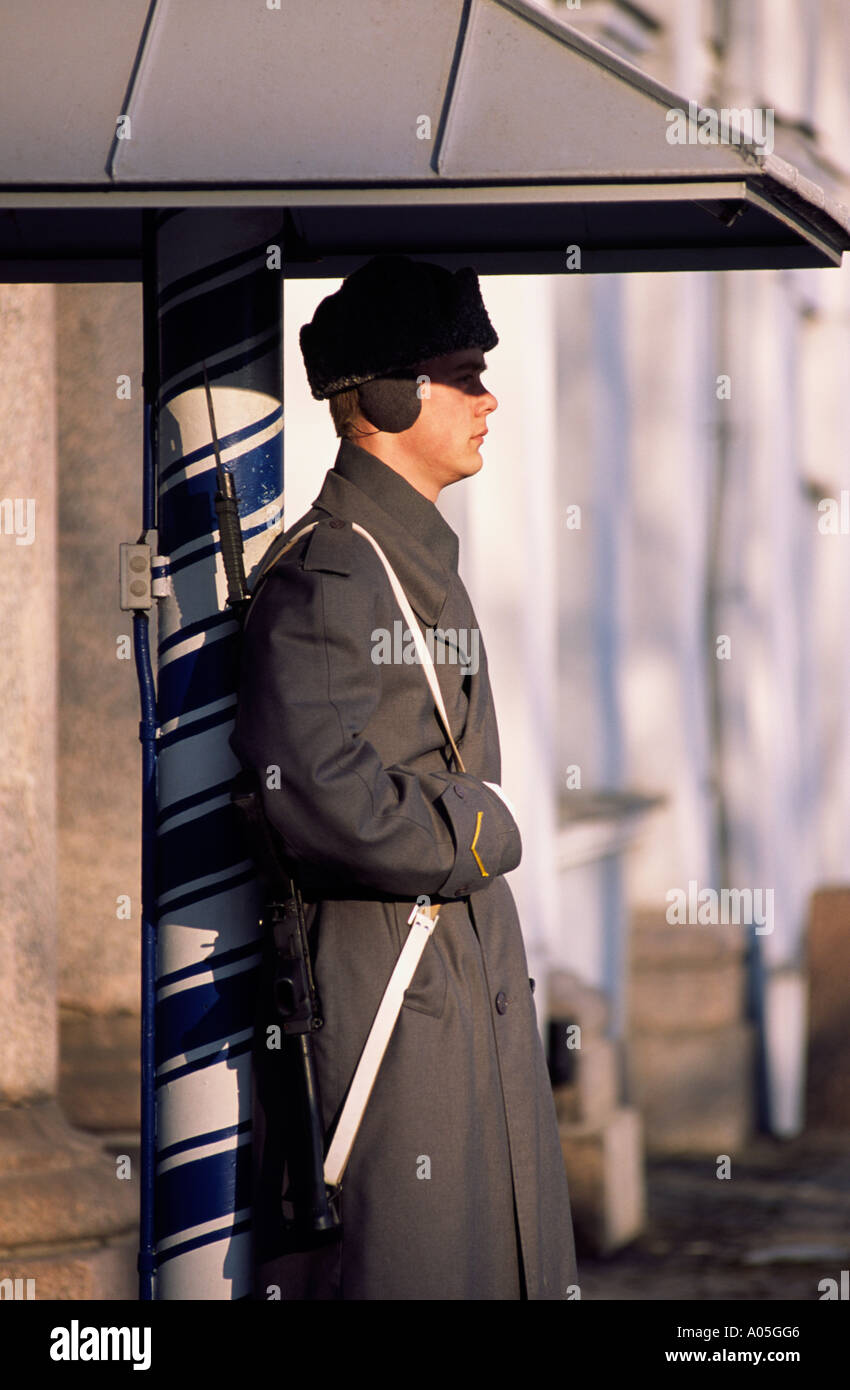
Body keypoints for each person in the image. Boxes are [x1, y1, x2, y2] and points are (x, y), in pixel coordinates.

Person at [230, 254, 578, 1300]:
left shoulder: (406, 550)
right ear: (386, 395)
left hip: (456, 990)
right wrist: (484, 827)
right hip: (394, 997)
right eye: (462, 372)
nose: (488, 397)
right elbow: (322, 793)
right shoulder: (332, 574)